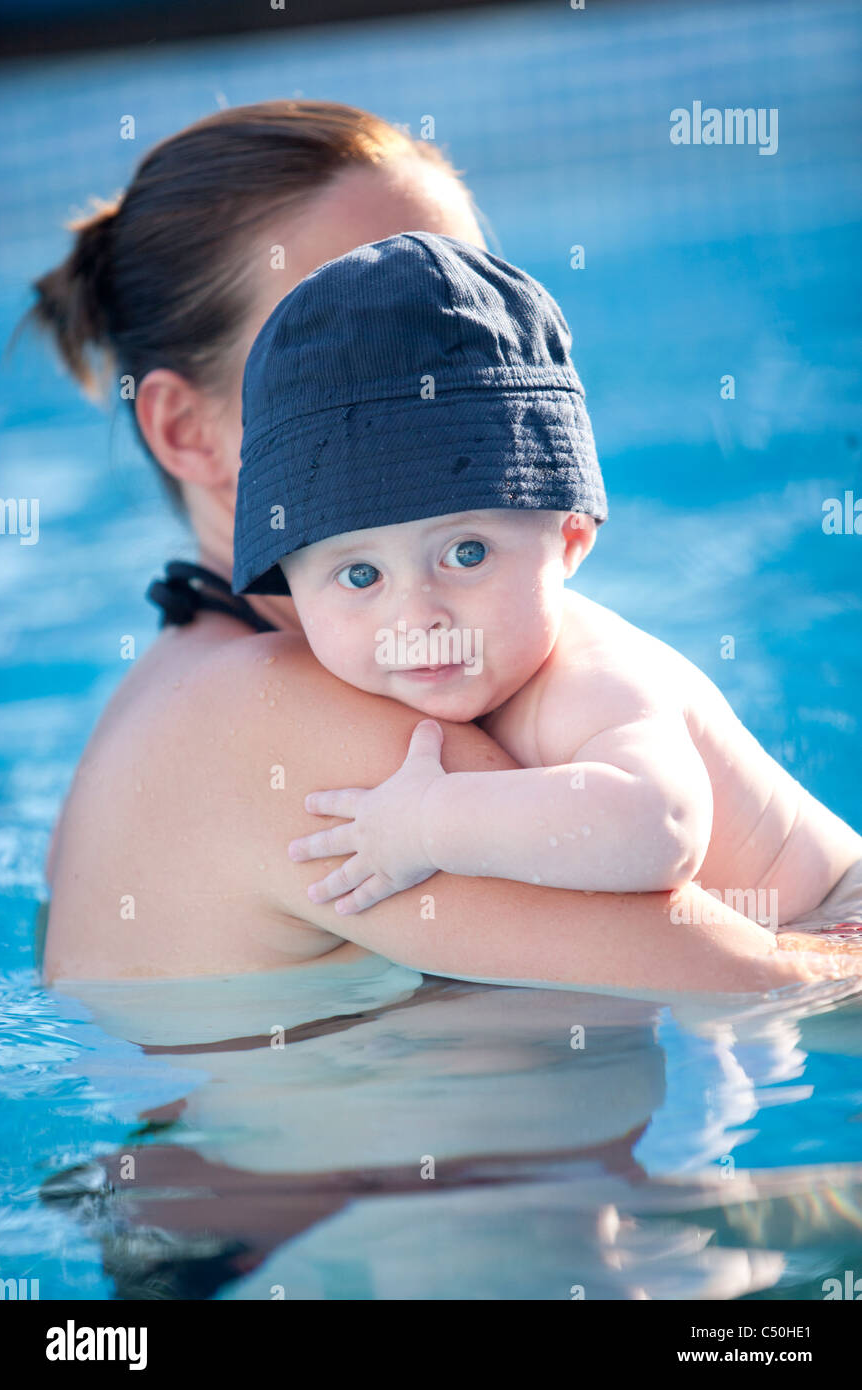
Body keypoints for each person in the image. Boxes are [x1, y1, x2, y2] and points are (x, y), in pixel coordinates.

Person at [26, 100, 857, 991]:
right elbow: (786, 989)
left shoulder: (210, 685)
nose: (430, 366)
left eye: (463, 301)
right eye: (342, 326)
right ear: (187, 429)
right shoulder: (289, 728)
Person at [227, 230, 862, 927]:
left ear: (569, 539)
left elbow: (662, 829)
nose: (418, 618)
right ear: (287, 583)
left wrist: (431, 823)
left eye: (467, 553)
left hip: (837, 919)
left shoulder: (590, 680)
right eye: (359, 573)